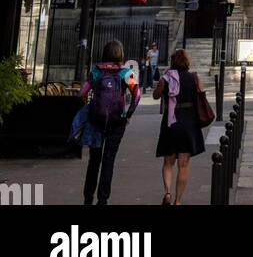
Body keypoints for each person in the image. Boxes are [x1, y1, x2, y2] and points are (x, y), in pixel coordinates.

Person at [78, 39, 140, 206]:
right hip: (117, 121)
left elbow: (82, 92)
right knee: (109, 159)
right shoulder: (126, 73)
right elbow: (137, 94)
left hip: (96, 121)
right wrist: (128, 114)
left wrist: (91, 106)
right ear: (120, 54)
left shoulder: (96, 72)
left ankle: (87, 198)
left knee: (94, 161)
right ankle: (103, 199)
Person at [153, 47, 208, 205]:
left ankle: (168, 192)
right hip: (189, 123)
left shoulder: (166, 78)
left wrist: (161, 85)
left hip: (171, 123)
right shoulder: (195, 77)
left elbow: (156, 96)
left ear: (173, 62)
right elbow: (201, 96)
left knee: (168, 162)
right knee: (183, 165)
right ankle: (178, 200)